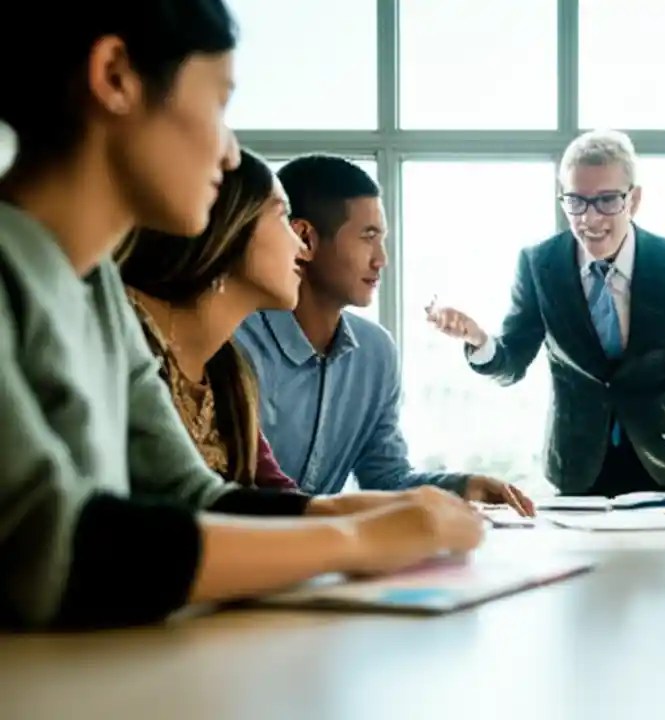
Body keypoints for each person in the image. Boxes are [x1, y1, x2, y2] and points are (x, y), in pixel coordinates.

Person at [0, 0, 483, 630]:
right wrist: (357, 542)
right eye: (221, 103)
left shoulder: (97, 291)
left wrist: (375, 516)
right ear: (115, 76)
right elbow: (51, 548)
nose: (232, 156)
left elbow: (193, 498)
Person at [428, 129, 665, 497]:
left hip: (660, 464)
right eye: (576, 202)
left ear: (634, 199)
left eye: (606, 200)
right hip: (575, 466)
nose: (589, 217)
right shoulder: (540, 264)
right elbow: (513, 360)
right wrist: (479, 340)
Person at [234, 155, 534, 515]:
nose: (381, 259)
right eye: (368, 237)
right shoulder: (235, 346)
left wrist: (461, 487)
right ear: (304, 239)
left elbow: (386, 478)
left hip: (327, 555)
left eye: (383, 239)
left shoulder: (376, 352)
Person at [116, 149, 302, 489]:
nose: (302, 247)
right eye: (282, 216)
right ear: (229, 223)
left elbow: (277, 497)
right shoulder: (120, 331)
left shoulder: (229, 371)